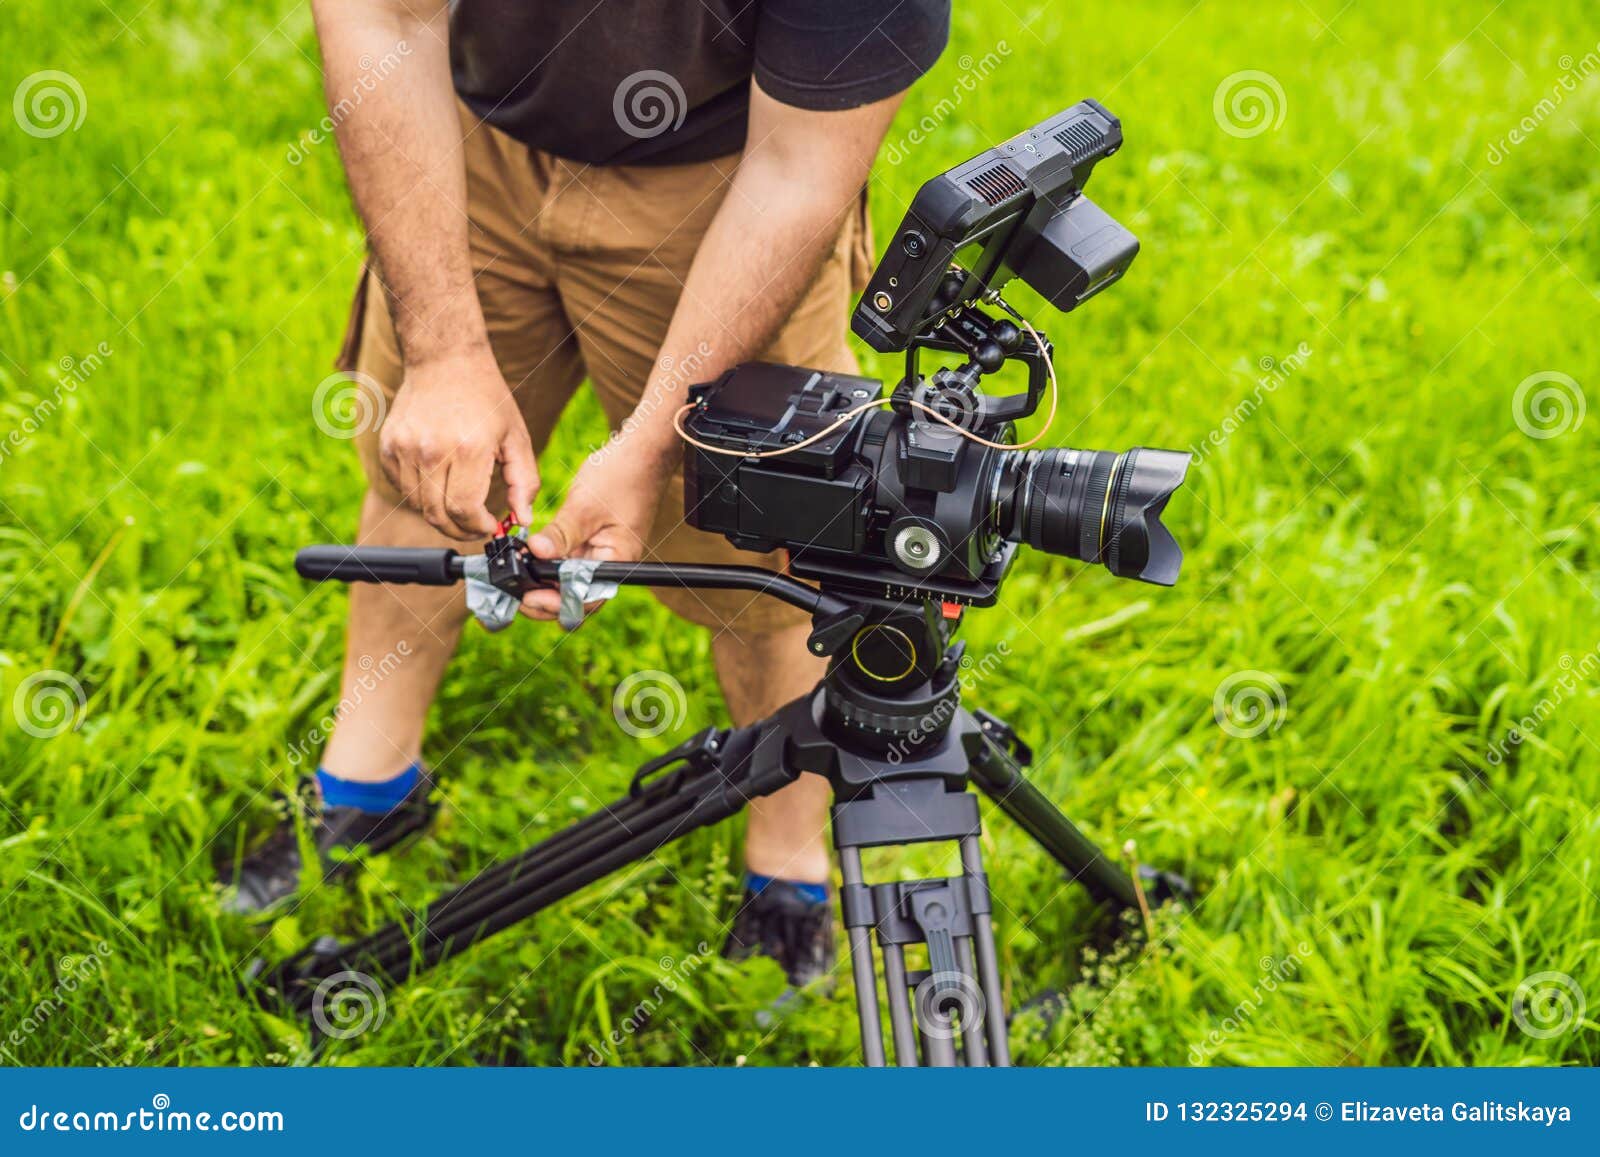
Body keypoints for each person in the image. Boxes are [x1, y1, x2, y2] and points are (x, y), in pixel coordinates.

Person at [220, 0, 950, 987]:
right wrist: (440, 353)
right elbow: (383, 14)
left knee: (758, 543)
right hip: (467, 137)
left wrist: (649, 441)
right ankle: (367, 779)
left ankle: (786, 860)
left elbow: (800, 167)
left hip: (726, 176)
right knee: (427, 470)